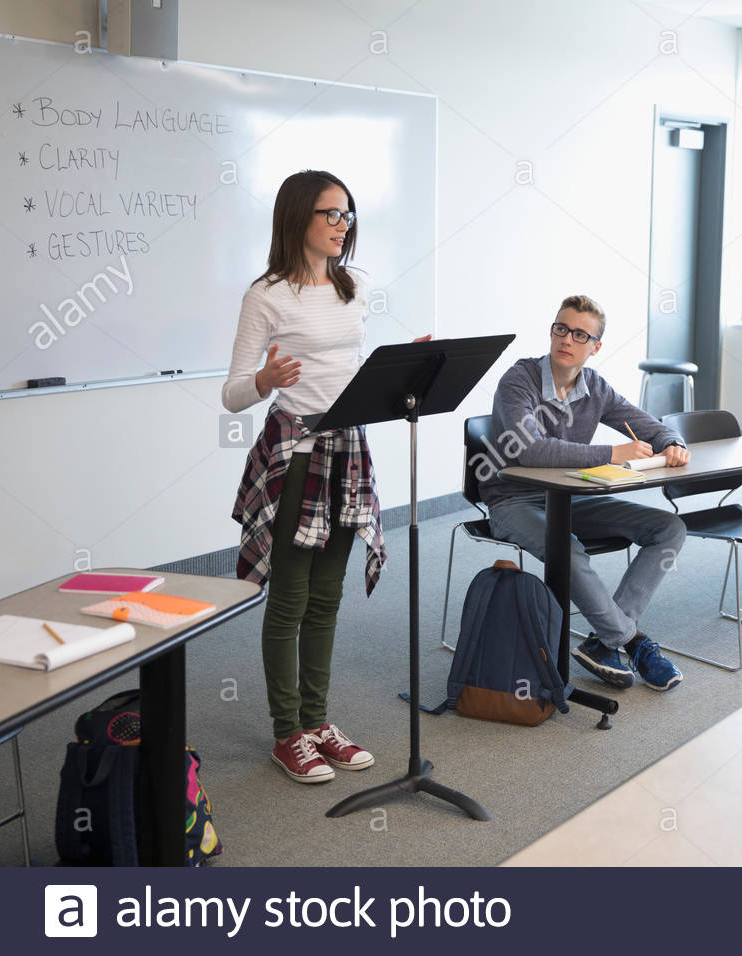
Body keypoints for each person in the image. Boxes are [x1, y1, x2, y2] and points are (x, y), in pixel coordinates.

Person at [225, 170, 424, 784]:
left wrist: (406, 365)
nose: (344, 226)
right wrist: (263, 381)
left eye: (348, 215)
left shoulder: (355, 286)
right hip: (296, 455)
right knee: (289, 598)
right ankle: (287, 734)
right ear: (298, 219)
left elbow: (349, 367)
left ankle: (317, 723)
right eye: (331, 215)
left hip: (348, 451)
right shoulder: (266, 295)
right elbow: (233, 393)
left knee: (328, 596)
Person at [476, 294, 689, 691]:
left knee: (670, 528)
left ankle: (602, 639)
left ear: (595, 347)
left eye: (579, 334)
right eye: (561, 328)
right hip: (512, 500)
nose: (566, 340)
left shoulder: (594, 387)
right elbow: (531, 450)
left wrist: (672, 441)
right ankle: (632, 641)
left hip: (570, 499)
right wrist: (612, 453)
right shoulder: (518, 380)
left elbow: (649, 425)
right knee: (566, 547)